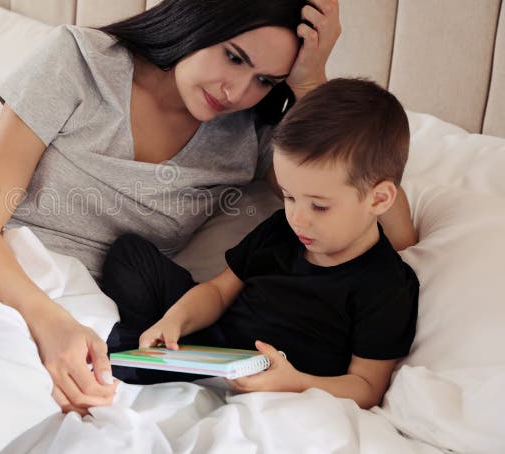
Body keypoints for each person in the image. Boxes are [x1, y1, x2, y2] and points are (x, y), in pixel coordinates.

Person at [0, 0, 413, 415]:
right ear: (203, 16)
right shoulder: (79, 61)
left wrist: (310, 83)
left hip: (87, 309)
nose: (237, 92)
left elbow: (395, 236)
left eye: (266, 81)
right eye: (233, 57)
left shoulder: (251, 135)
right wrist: (49, 322)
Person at [100, 79, 420, 409]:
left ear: (379, 199)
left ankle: (137, 358)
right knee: (130, 255)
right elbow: (219, 291)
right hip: (212, 345)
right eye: (289, 197)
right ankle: (150, 345)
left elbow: (366, 386)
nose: (298, 218)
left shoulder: (387, 285)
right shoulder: (282, 230)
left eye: (319, 206)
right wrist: (175, 320)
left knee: (111, 355)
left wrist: (296, 383)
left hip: (275, 374)